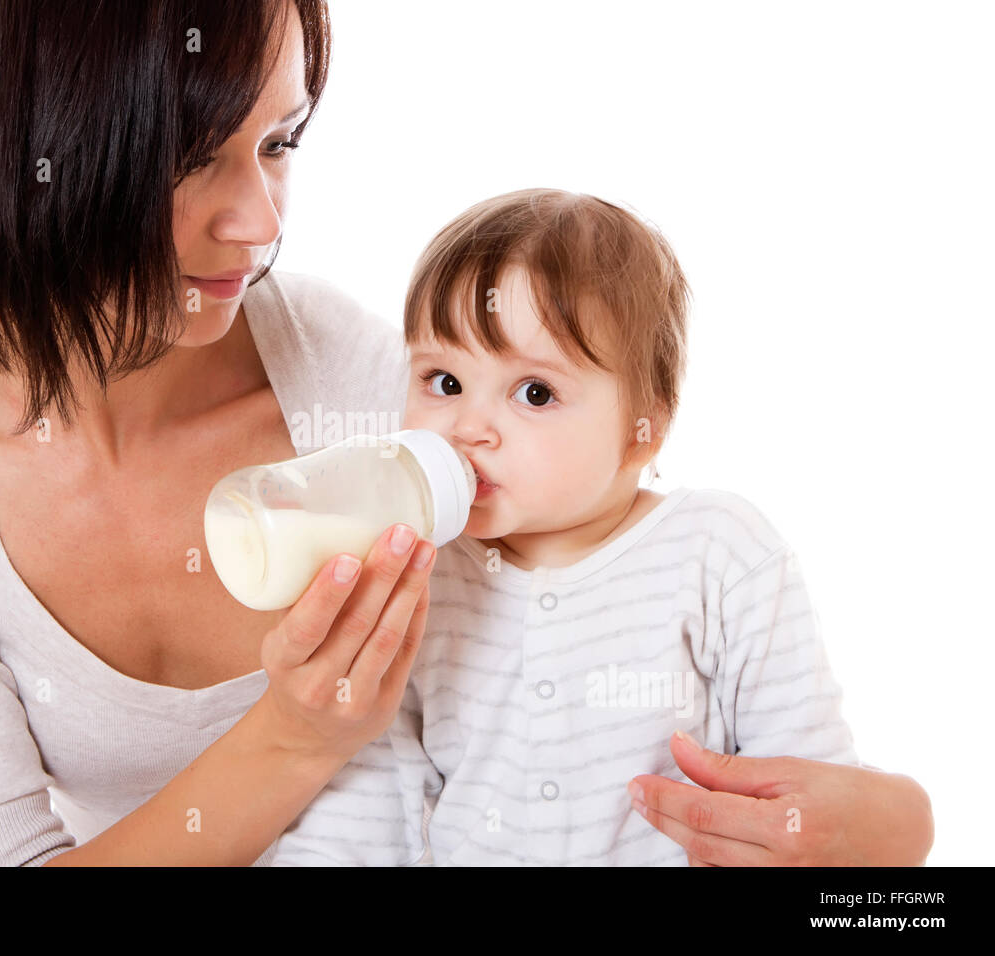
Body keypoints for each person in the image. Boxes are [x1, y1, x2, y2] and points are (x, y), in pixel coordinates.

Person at [0, 0, 437, 866]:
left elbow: (600, 587)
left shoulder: (366, 387)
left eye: (278, 144)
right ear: (26, 160)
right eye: (194, 158)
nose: (261, 223)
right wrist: (297, 738)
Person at [269, 189, 935, 865]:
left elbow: (808, 790)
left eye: (535, 392)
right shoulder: (422, 565)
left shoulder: (719, 554)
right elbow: (374, 793)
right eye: (443, 381)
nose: (468, 428)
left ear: (646, 427)